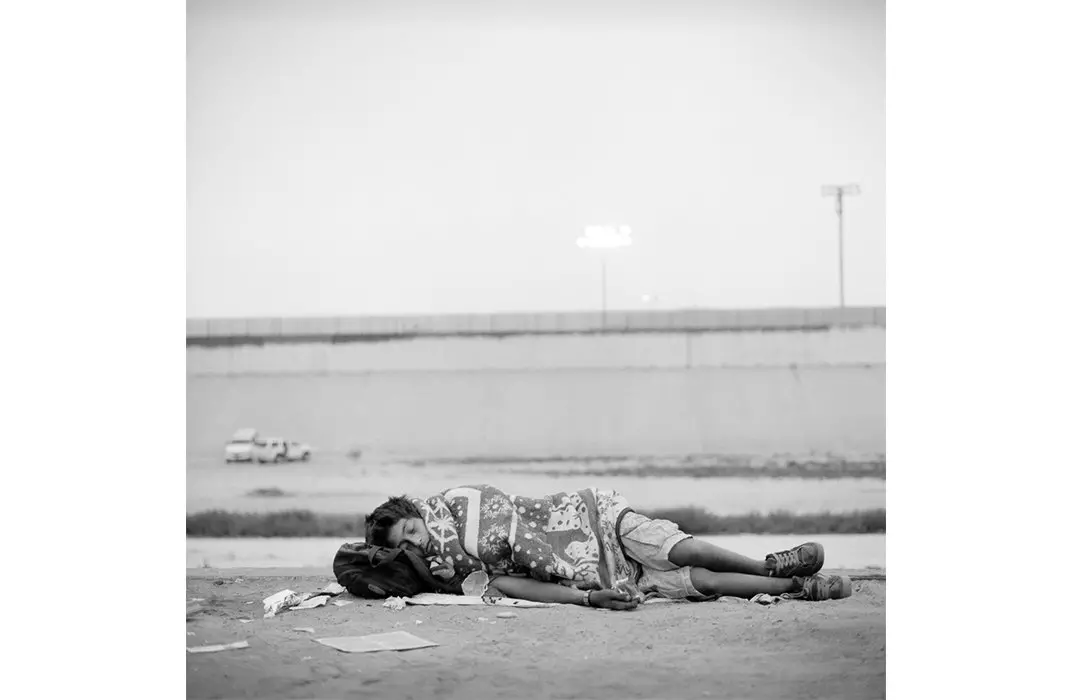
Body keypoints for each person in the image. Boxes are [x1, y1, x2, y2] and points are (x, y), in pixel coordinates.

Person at [364, 484, 851, 611]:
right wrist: (587, 596)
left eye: (411, 528)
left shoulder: (453, 504)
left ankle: (770, 565)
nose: (419, 539)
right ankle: (797, 585)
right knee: (700, 584)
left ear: (415, 513)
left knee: (679, 549)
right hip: (599, 574)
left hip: (596, 519)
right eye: (407, 544)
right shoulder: (460, 576)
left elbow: (498, 509)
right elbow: (514, 585)